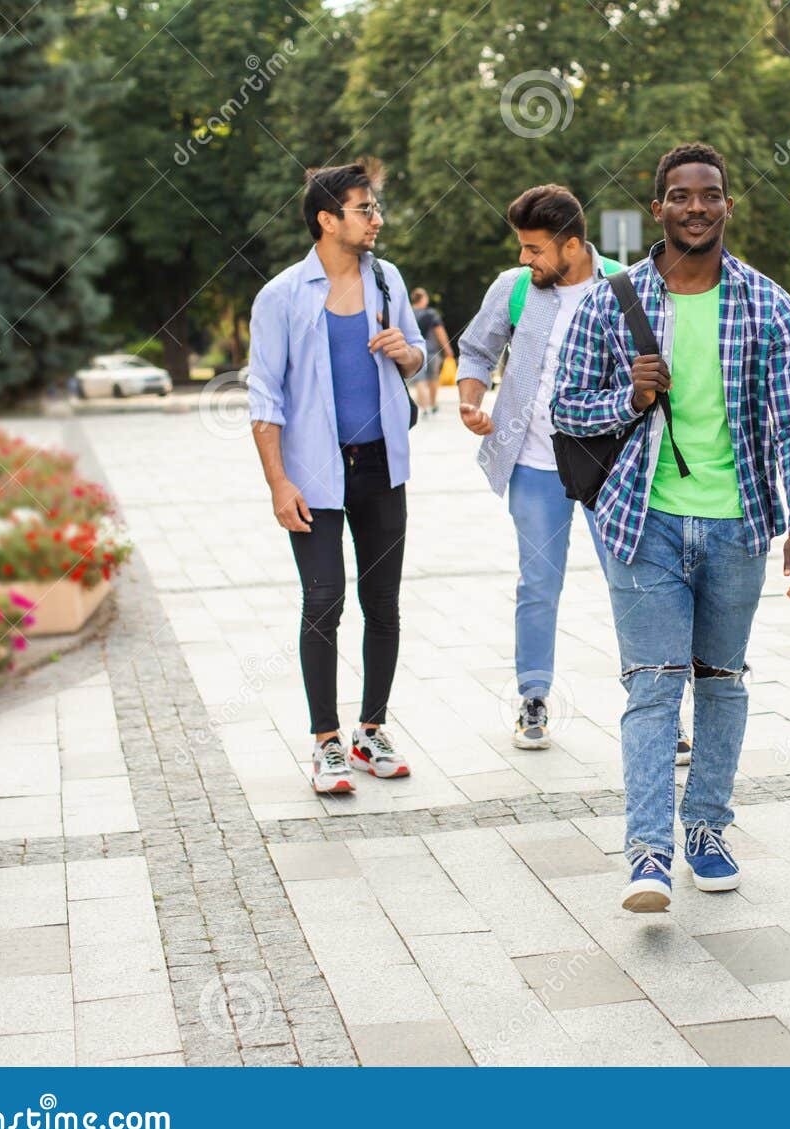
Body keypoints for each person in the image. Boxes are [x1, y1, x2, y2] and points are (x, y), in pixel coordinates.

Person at [552, 143, 790, 913]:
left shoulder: (767, 304)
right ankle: (648, 852)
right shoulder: (610, 302)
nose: (696, 207)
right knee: (652, 684)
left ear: (728, 206)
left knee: (721, 681)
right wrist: (628, 398)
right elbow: (565, 406)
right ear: (659, 208)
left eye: (710, 194)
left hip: (738, 525)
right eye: (680, 195)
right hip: (643, 523)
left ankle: (707, 828)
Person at [455, 185, 692, 760]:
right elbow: (476, 350)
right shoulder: (514, 289)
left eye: (534, 249)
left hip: (610, 464)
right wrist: (469, 401)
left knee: (634, 586)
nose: (524, 259)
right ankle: (534, 698)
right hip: (534, 463)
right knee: (538, 584)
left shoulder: (626, 286)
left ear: (572, 244)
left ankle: (659, 710)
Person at [246, 159, 423, 795]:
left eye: (376, 208)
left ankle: (371, 729)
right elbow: (264, 397)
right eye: (364, 209)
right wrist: (278, 482)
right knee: (323, 603)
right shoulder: (281, 296)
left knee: (383, 603)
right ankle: (326, 741)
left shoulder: (387, 280)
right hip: (313, 472)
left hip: (381, 464)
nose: (377, 219)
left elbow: (416, 357)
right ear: (327, 219)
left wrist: (408, 353)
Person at [409, 287, 453, 416]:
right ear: (423, 299)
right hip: (432, 351)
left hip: (414, 350)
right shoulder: (431, 314)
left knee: (419, 380)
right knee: (433, 378)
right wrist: (447, 349)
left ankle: (424, 407)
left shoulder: (408, 313)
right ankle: (433, 404)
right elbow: (440, 332)